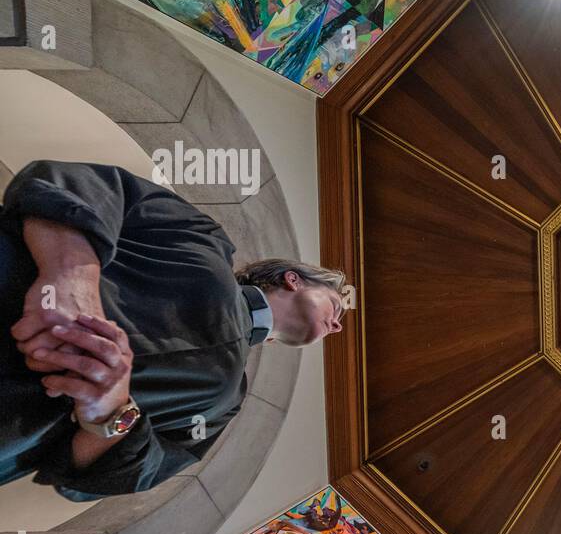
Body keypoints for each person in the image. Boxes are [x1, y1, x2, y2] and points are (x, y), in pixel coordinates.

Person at [0, 160, 346, 500]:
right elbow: (75, 181)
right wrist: (69, 275)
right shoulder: (207, 239)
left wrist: (110, 410)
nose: (338, 325)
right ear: (293, 279)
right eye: (335, 305)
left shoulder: (226, 408)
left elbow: (124, 474)